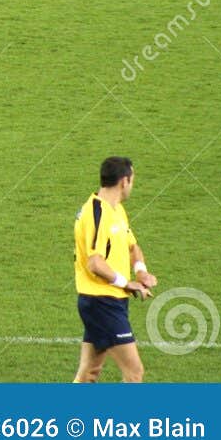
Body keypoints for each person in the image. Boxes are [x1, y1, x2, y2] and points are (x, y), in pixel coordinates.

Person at [73, 156, 156, 383]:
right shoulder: (96, 212)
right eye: (132, 180)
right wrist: (126, 283)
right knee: (134, 372)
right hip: (101, 301)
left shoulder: (117, 210)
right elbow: (95, 263)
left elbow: (132, 247)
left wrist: (141, 271)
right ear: (124, 181)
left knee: (89, 372)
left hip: (109, 301)